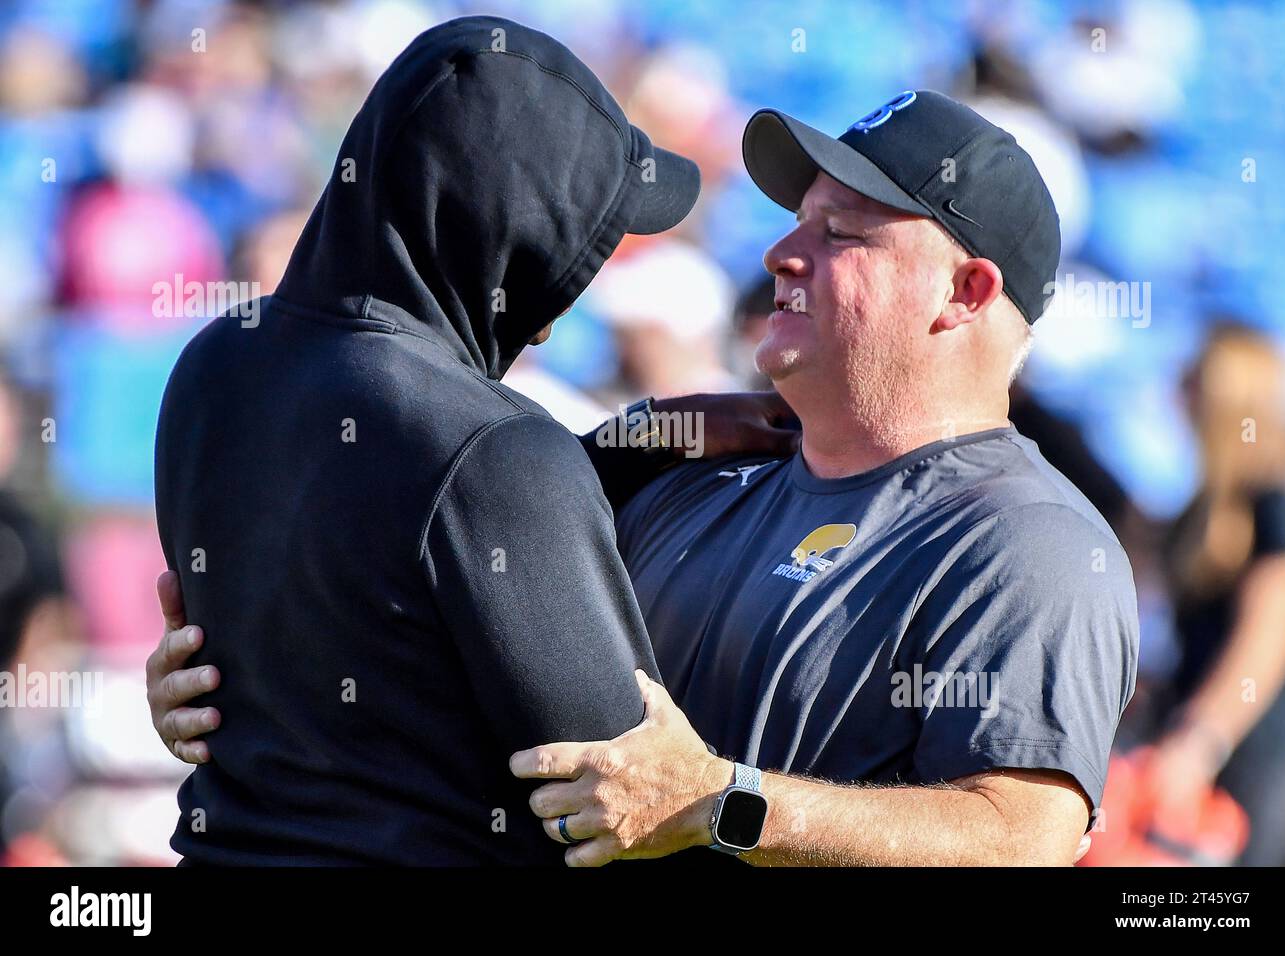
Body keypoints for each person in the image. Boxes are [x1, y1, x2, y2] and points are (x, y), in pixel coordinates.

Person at [153, 91, 1137, 866]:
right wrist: (248, 669)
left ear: (965, 293)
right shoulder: (684, 470)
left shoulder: (1027, 542)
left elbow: (1020, 836)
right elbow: (446, 619)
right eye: (799, 219)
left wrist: (723, 801)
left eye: (842, 234)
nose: (780, 252)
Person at [151, 16, 793, 866]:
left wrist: (629, 442)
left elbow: (393, 517)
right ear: (493, 235)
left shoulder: (214, 362)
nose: (557, 321)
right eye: (556, 258)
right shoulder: (494, 451)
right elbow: (631, 809)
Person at [1146, 323, 1285, 865]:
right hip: (1189, 752)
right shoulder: (1202, 511)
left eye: (1195, 380)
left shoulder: (1270, 503)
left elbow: (1271, 631)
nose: (1178, 392)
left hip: (1242, 764)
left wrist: (1199, 741)